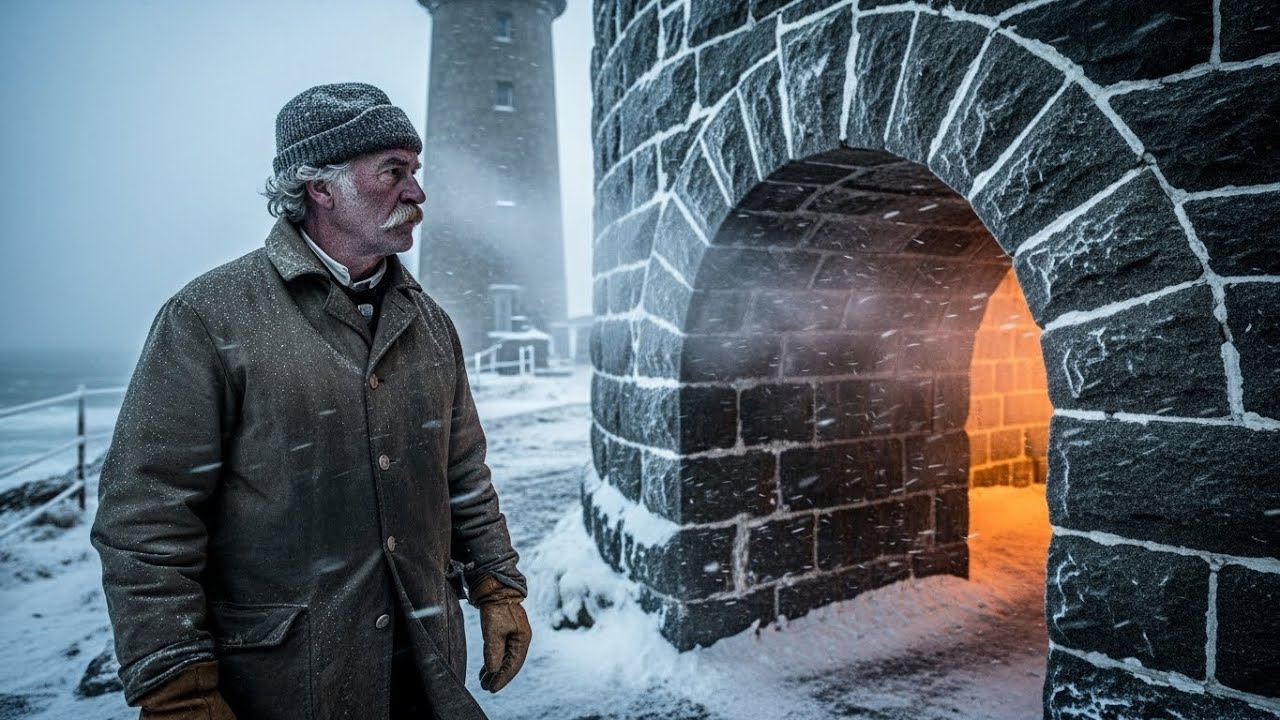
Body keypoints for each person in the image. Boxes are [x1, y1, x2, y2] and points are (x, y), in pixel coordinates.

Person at [91, 82, 531, 720]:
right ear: (321, 187)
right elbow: (146, 517)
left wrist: (496, 585)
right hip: (283, 684)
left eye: (416, 170)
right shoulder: (208, 317)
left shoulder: (430, 324)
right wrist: (175, 683)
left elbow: (462, 474)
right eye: (393, 172)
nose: (417, 192)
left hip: (424, 670)